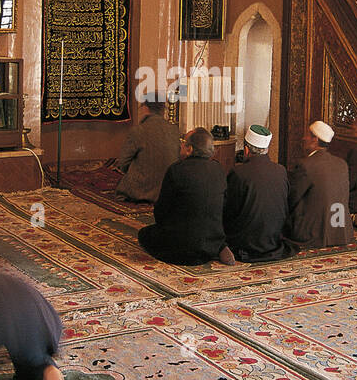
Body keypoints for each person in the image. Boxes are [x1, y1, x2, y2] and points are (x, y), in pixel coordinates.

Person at [138, 127, 232, 265]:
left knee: (144, 234)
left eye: (183, 142)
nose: (180, 145)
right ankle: (219, 247)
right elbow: (222, 207)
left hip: (179, 249)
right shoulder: (218, 169)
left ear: (189, 149)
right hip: (210, 243)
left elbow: (161, 212)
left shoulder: (176, 170)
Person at [223, 124, 290, 262]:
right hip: (274, 242)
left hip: (245, 244)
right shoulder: (281, 170)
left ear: (246, 150)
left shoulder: (238, 172)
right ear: (266, 150)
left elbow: (228, 210)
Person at [286, 120, 353, 250]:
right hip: (340, 231)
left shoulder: (306, 165)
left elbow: (291, 198)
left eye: (307, 135)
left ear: (315, 139)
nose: (303, 138)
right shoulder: (341, 163)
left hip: (314, 233)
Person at [114, 98, 181, 202]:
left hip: (141, 190)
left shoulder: (139, 130)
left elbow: (123, 163)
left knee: (122, 187)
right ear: (163, 110)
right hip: (167, 190)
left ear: (145, 108)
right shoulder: (174, 130)